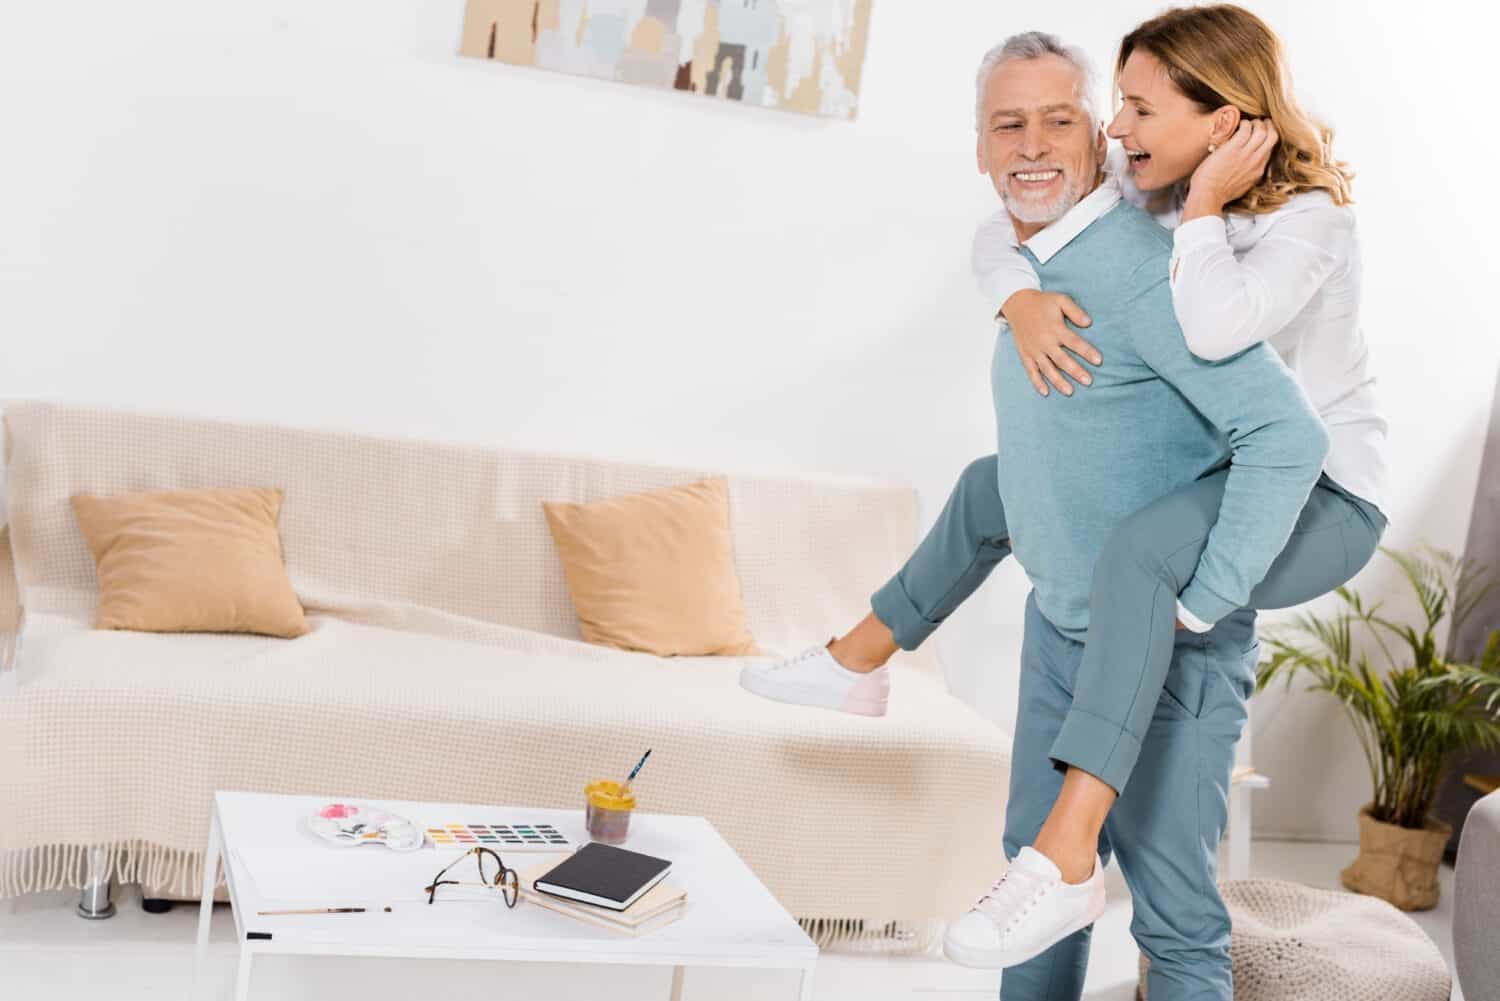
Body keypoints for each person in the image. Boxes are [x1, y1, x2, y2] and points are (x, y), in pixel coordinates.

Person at [739, 23, 1365, 1000]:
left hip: (1166, 634)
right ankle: (853, 657)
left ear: (1101, 141)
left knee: (1169, 912)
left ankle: (855, 661)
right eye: (1008, 125)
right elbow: (1006, 272)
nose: (1032, 145)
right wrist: (1017, 300)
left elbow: (1285, 437)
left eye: (1061, 120)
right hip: (1064, 617)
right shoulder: (1041, 257)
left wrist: (1203, 600)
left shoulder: (1154, 269)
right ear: (980, 147)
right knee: (1030, 891)